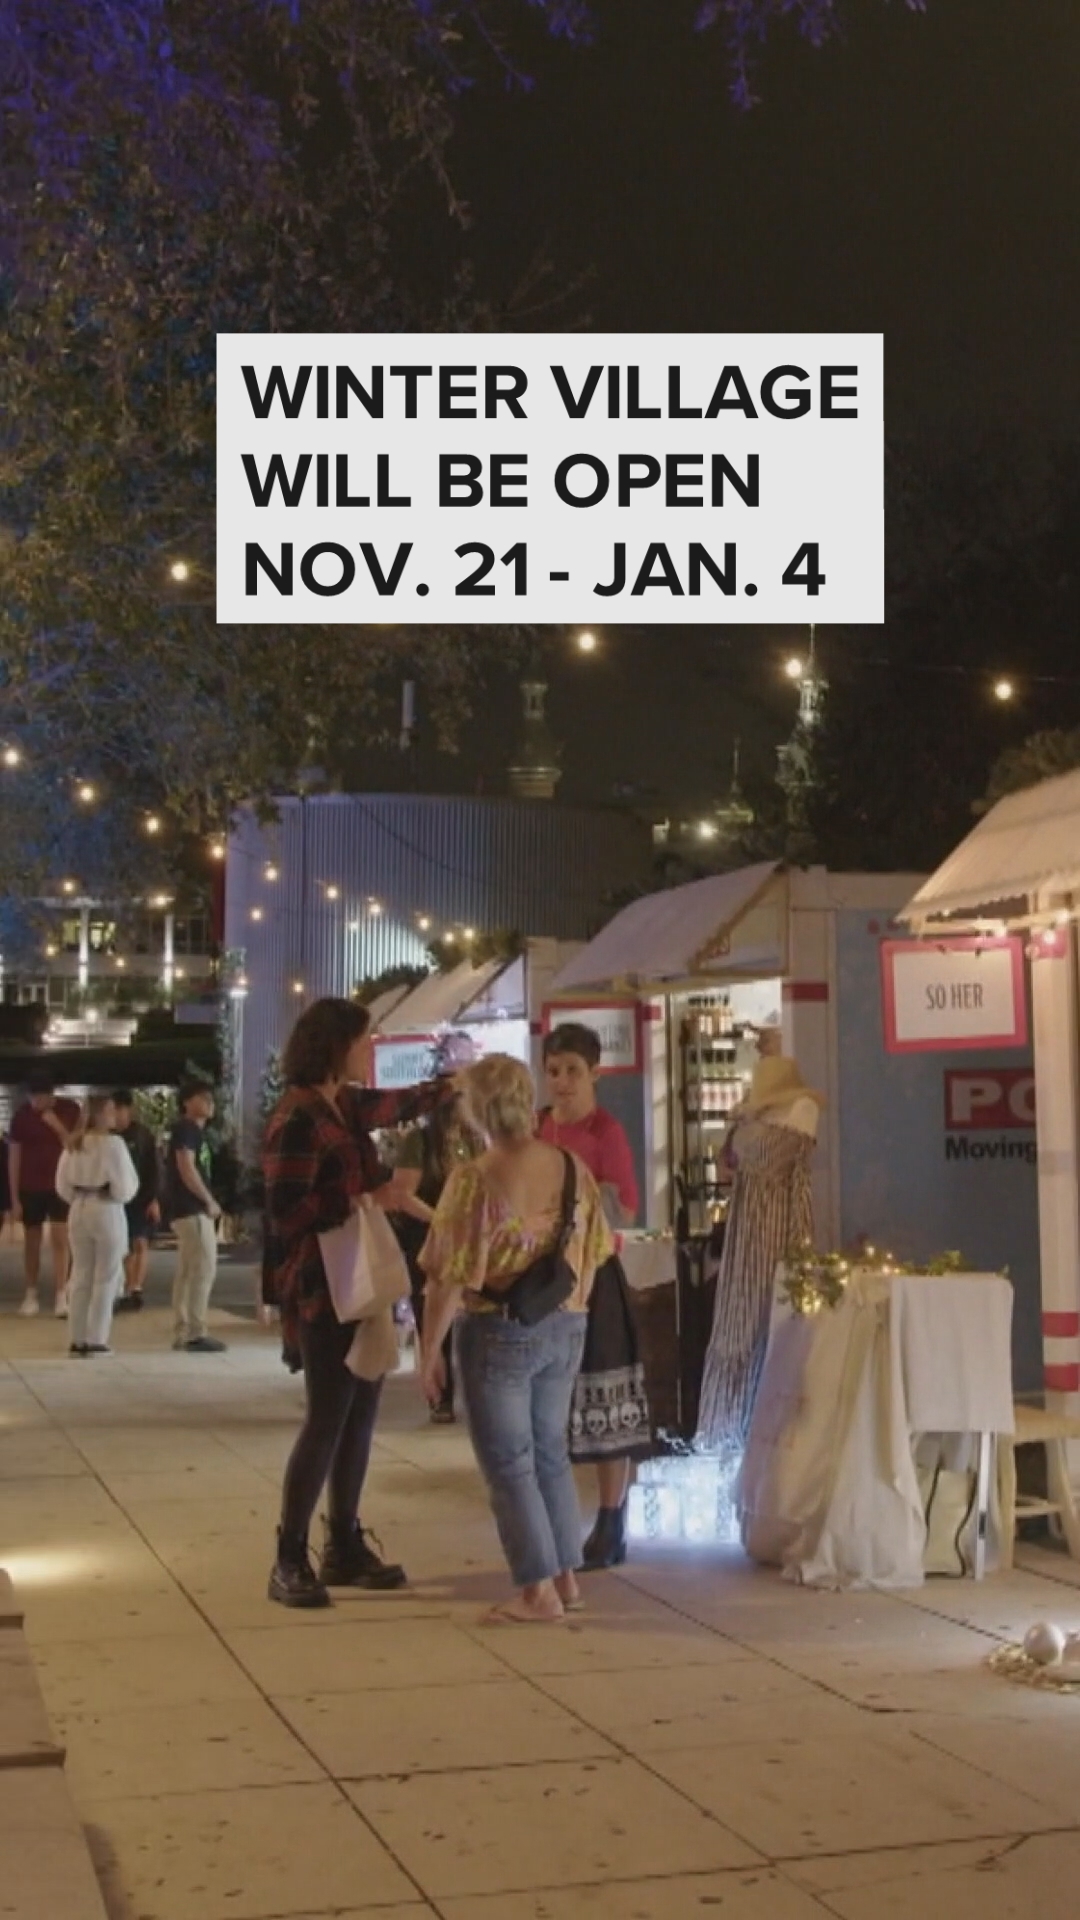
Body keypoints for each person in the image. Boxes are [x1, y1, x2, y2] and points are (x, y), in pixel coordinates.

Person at [263, 996, 451, 1608]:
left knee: (361, 1408)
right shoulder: (297, 1116)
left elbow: (391, 1105)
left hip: (362, 1279)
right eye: (364, 1040)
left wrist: (449, 1087)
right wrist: (355, 1193)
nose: (371, 1050)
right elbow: (285, 1211)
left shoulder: (341, 1103)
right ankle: (290, 1555)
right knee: (327, 1414)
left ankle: (343, 1540)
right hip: (323, 1285)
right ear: (335, 1044)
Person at [420, 1054, 613, 1624]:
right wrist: (572, 1310)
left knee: (509, 1462)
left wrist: (427, 1352)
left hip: (499, 1329)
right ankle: (565, 1576)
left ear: (477, 1110)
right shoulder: (572, 1167)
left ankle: (537, 1593)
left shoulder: (473, 1180)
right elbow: (597, 1252)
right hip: (566, 1325)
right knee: (550, 1452)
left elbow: (450, 1275)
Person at [538, 1022, 650, 1571]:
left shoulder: (606, 1132)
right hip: (543, 1283)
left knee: (607, 1403)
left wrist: (572, 1191)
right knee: (548, 1403)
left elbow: (623, 1208)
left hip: (596, 1277)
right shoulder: (536, 1129)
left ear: (594, 1074)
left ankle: (611, 1519)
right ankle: (553, 1518)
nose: (561, 1083)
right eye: (553, 1071)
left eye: (572, 1072)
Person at [696, 1054, 823, 1457]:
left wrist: (741, 1128)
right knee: (741, 1321)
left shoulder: (797, 1115)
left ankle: (759, 1433)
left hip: (775, 1227)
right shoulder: (756, 1125)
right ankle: (733, 1434)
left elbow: (753, 1160)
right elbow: (729, 1167)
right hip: (749, 1228)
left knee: (768, 1322)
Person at [392, 1098, 480, 1422]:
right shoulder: (421, 1140)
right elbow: (402, 1194)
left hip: (467, 1238)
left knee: (467, 1313)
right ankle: (440, 1395)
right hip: (427, 1238)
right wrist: (442, 1219)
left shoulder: (475, 1139)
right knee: (432, 1311)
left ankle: (466, 1390)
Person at [56, 1094, 139, 1355]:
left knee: (80, 1274)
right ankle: (96, 1339)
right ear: (102, 1113)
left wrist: (78, 1196)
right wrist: (116, 1195)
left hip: (78, 1207)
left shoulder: (73, 1143)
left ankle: (77, 1338)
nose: (115, 1115)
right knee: (106, 1276)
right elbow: (126, 1187)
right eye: (112, 1110)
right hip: (105, 1208)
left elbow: (61, 1185)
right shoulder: (113, 1144)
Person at [9, 1071, 81, 1318]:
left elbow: (74, 1145)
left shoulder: (70, 1109)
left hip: (60, 1184)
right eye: (32, 1098)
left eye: (39, 1098)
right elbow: (14, 1157)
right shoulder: (21, 1116)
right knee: (32, 1240)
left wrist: (56, 1125)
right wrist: (14, 1196)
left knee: (61, 1238)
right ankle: (31, 1293)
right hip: (30, 1185)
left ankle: (62, 1293)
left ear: (51, 1096)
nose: (35, 1103)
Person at [165, 1079, 226, 1354]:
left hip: (185, 1209)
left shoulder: (191, 1131)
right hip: (192, 1208)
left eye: (210, 1098)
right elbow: (186, 1167)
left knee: (188, 1271)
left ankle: (183, 1328)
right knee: (203, 1268)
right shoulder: (187, 1129)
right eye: (202, 1098)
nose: (209, 1102)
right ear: (187, 1103)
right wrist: (208, 1200)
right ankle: (195, 1332)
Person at [112, 1089, 161, 1312]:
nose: (117, 1115)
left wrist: (154, 1199)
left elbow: (154, 1169)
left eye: (120, 1109)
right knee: (123, 1247)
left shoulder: (142, 1135)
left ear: (129, 1110)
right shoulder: (108, 1137)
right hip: (115, 1200)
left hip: (140, 1198)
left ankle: (136, 1288)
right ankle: (123, 1287)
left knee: (140, 1242)